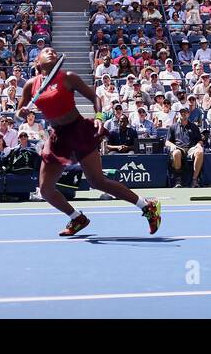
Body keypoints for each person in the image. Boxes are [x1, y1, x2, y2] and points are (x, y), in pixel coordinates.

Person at [21, 47, 161, 237]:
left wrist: (99, 117)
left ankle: (148, 206)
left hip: (79, 130)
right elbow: (19, 110)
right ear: (37, 61)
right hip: (57, 137)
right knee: (45, 190)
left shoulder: (68, 77)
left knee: (97, 182)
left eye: (53, 51)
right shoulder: (31, 85)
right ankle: (77, 218)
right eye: (46, 51)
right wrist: (20, 112)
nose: (52, 52)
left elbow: (94, 97)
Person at [165, 107, 206, 187]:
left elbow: (200, 140)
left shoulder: (194, 127)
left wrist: (198, 145)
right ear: (179, 114)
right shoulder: (173, 127)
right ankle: (178, 180)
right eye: (181, 112)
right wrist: (172, 145)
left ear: (188, 114)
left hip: (191, 148)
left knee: (200, 152)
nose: (183, 114)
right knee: (176, 153)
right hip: (179, 148)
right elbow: (167, 141)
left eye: (185, 112)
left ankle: (194, 179)